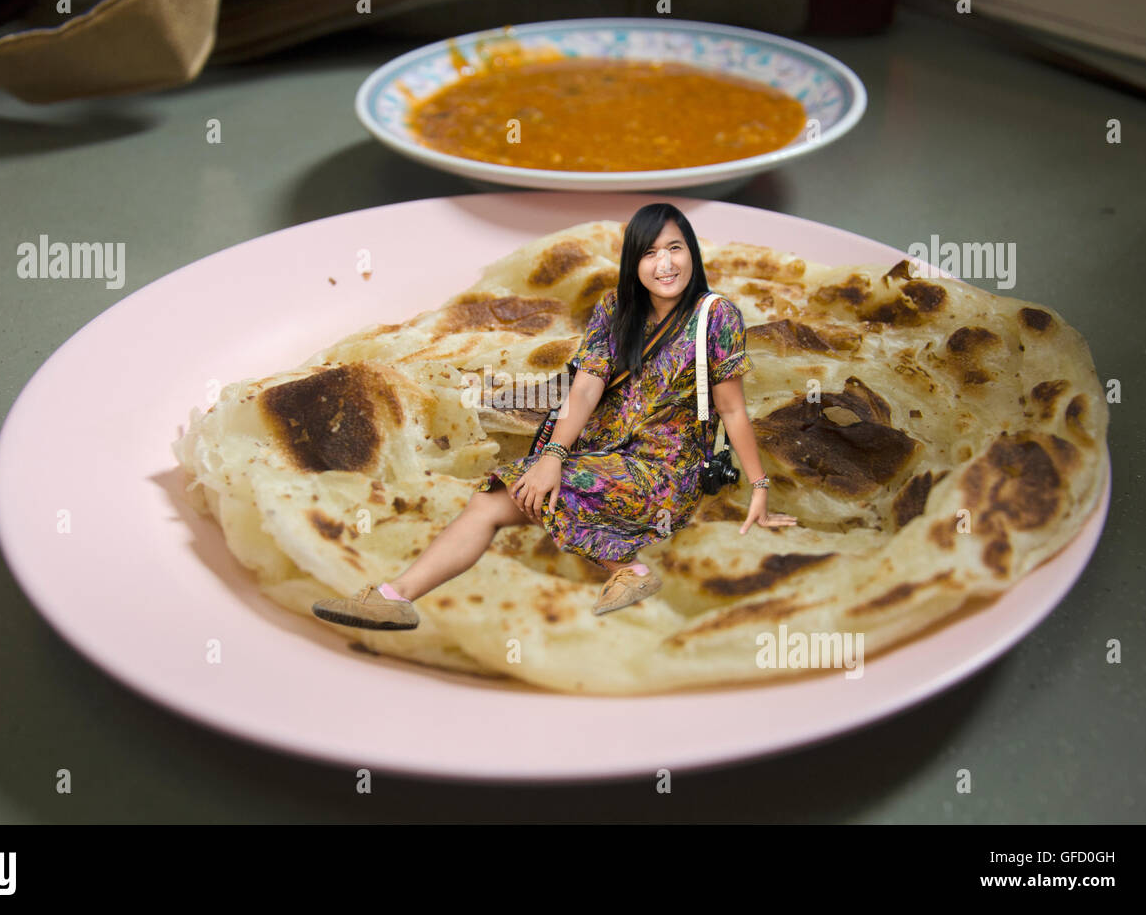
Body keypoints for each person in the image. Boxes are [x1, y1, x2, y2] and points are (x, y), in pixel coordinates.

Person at [312, 202, 797, 631]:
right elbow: (584, 389)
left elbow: (731, 407)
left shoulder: (717, 317)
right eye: (649, 253)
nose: (664, 263)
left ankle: (629, 570)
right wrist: (553, 455)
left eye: (674, 248)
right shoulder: (615, 309)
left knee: (524, 495)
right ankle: (394, 599)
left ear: (692, 251)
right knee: (497, 500)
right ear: (635, 262)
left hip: (664, 472)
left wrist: (758, 488)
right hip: (601, 454)